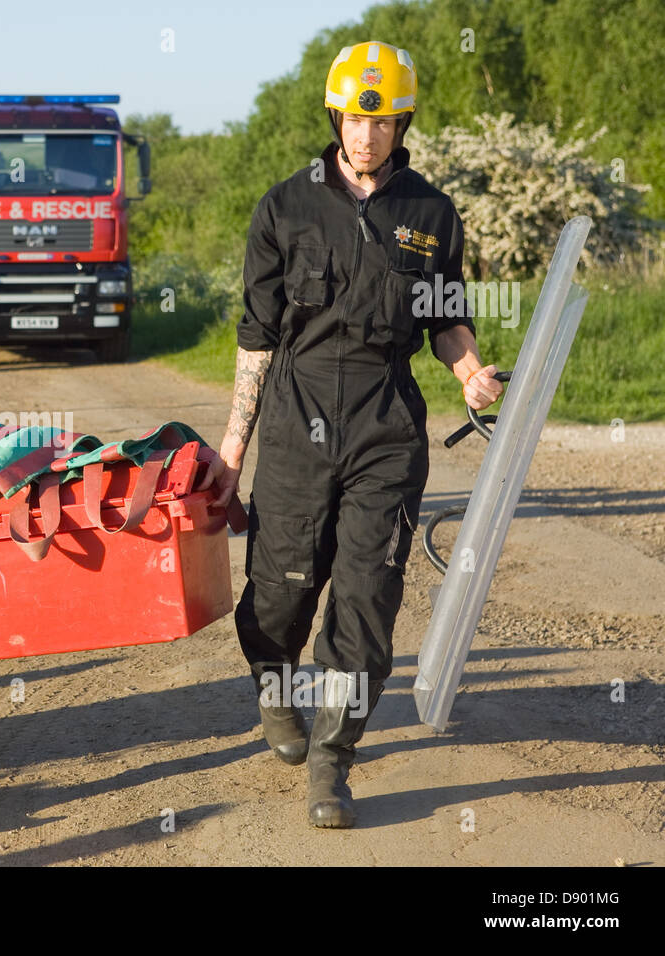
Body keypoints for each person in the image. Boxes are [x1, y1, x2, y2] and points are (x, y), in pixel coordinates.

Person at [212, 42, 504, 828]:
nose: (366, 134)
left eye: (382, 120)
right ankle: (274, 688)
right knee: (280, 594)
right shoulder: (284, 207)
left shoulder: (431, 213)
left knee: (367, 599)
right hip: (295, 419)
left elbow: (446, 317)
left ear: (402, 121)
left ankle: (333, 762)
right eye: (353, 117)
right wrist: (232, 451)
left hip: (385, 423)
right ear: (335, 115)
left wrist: (471, 374)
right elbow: (257, 335)